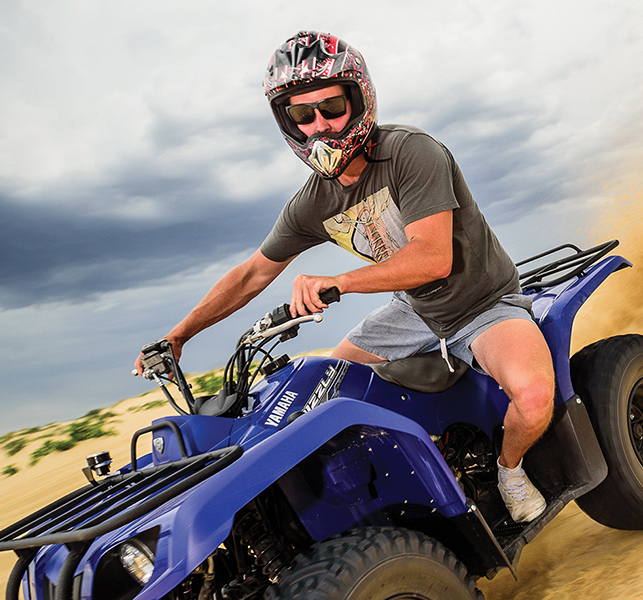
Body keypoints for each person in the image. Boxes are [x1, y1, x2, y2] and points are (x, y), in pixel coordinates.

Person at [135, 31, 551, 522]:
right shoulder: (312, 202)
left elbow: (432, 258)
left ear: (358, 100)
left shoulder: (410, 152)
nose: (318, 125)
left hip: (481, 304)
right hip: (413, 310)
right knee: (323, 395)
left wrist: (338, 282)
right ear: (286, 121)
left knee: (533, 396)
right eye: (301, 114)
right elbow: (250, 275)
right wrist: (179, 335)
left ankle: (510, 469)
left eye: (330, 106)